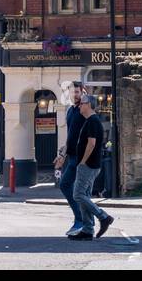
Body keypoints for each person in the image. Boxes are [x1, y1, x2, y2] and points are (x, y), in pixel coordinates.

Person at [68, 96, 115, 241]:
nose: (79, 106)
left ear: (88, 105)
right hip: (88, 164)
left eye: (81, 104)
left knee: (78, 194)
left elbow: (92, 143)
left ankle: (103, 217)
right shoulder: (89, 121)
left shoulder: (93, 121)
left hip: (88, 165)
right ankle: (88, 230)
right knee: (84, 195)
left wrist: (82, 161)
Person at [53, 81, 85, 236]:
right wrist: (62, 156)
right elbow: (70, 137)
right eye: (72, 92)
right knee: (67, 186)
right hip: (72, 156)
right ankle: (82, 219)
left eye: (77, 92)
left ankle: (82, 221)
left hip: (83, 157)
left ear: (82, 92)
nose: (74, 95)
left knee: (75, 189)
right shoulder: (70, 111)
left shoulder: (84, 110)